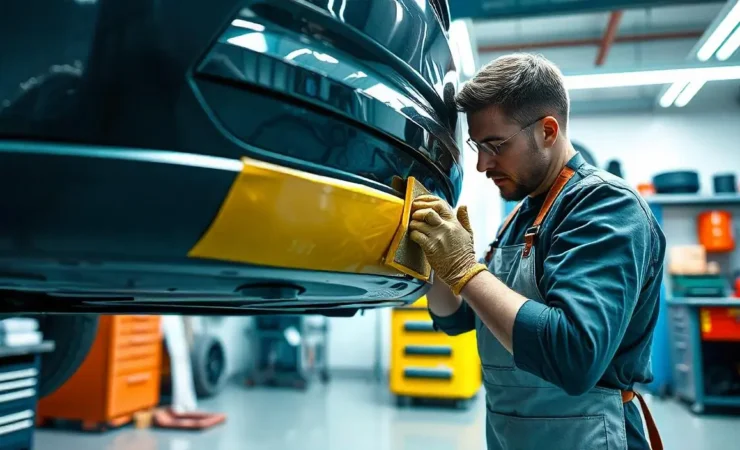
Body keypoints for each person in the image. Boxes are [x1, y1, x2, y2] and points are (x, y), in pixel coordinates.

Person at [408, 53, 666, 450]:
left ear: (548, 130)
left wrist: (465, 269)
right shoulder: (521, 215)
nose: (481, 164)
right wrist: (438, 263)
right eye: (478, 146)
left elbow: (573, 354)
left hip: (589, 437)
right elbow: (460, 320)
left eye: (495, 145)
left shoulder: (605, 206)